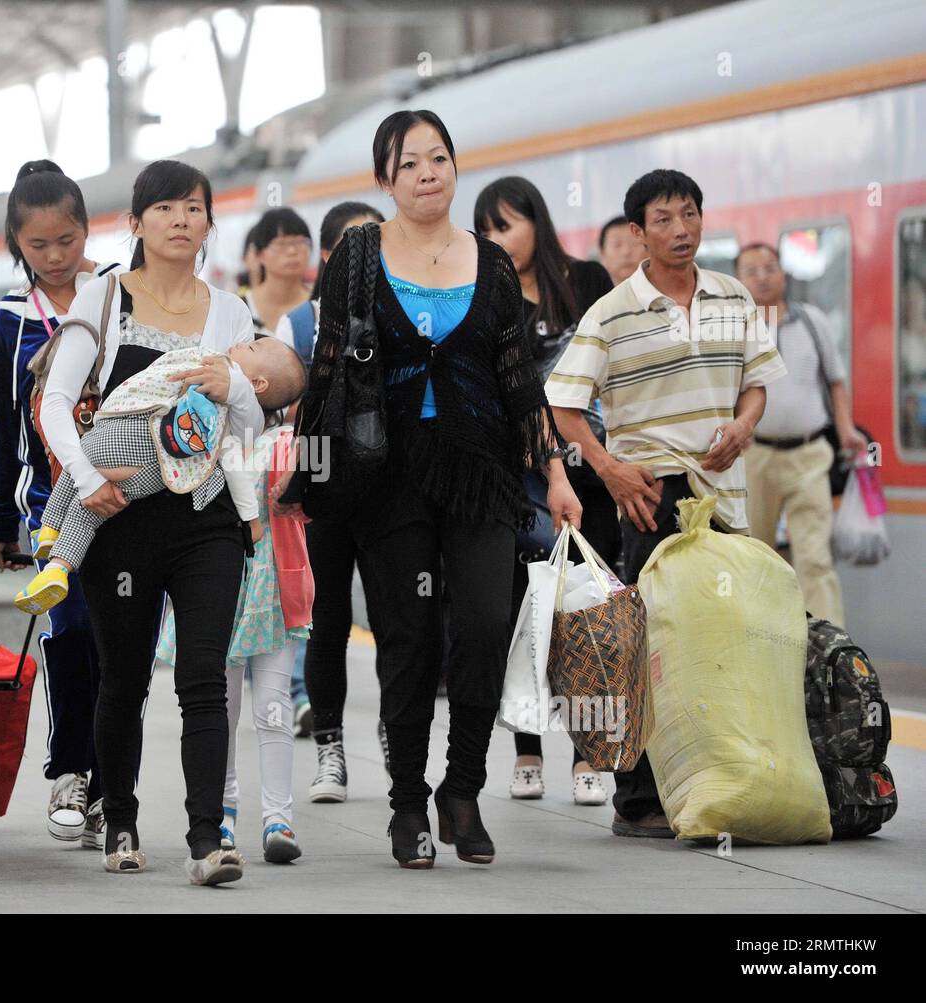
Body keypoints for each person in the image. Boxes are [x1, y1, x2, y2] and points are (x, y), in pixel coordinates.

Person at [288, 110, 582, 869]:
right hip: (386, 477)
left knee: (484, 623)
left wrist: (552, 471)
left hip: (478, 472)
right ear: (386, 177)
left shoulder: (488, 263)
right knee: (409, 642)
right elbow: (328, 371)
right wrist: (310, 472)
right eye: (409, 161)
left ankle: (463, 786)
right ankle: (408, 804)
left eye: (439, 158)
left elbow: (518, 382)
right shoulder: (355, 255)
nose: (427, 172)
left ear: (456, 168)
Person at [38, 159, 264, 885]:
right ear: (136, 224)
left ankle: (206, 841)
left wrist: (235, 385)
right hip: (123, 517)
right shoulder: (105, 297)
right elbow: (55, 401)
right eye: (164, 208)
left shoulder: (229, 311)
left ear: (208, 224)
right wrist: (85, 480)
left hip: (207, 517)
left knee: (203, 675)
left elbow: (249, 418)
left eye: (194, 208)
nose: (180, 219)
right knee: (124, 678)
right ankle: (123, 819)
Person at [546, 169, 787, 838]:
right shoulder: (613, 311)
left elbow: (757, 380)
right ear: (638, 232)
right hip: (652, 496)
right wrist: (610, 468)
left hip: (724, 495)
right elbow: (562, 403)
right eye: (664, 219)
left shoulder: (733, 297)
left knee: (725, 641)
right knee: (651, 648)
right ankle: (638, 797)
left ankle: (720, 781)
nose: (681, 230)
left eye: (690, 215)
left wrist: (743, 425)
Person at [0, 160, 124, 849]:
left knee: (116, 645)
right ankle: (70, 771)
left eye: (65, 240)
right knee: (67, 635)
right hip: (49, 506)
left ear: (85, 230)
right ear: (17, 244)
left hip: (128, 497)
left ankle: (107, 786)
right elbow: (4, 425)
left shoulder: (118, 295)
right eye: (37, 246)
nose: (54, 256)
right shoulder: (12, 321)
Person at [474, 175, 615, 806]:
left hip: (590, 472)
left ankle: (589, 756)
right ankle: (527, 750)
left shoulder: (586, 283)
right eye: (485, 230)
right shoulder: (488, 294)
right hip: (519, 477)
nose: (495, 240)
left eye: (505, 225)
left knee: (588, 612)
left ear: (537, 221)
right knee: (521, 615)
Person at [17, 337, 305, 611]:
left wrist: (251, 518)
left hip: (120, 436)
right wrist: (250, 520)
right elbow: (234, 470)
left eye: (252, 347)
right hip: (149, 476)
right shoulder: (225, 420)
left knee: (80, 467)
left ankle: (50, 530)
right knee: (88, 512)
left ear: (257, 383)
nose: (242, 343)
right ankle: (58, 568)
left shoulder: (213, 371)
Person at [157, 415, 313, 864]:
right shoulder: (205, 431)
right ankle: (223, 810)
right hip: (216, 586)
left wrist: (299, 478)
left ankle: (278, 818)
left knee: (273, 706)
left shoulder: (289, 441)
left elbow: (307, 504)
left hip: (273, 591)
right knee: (220, 705)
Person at [272, 200, 391, 789]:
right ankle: (330, 748)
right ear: (328, 256)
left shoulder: (404, 310)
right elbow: (273, 411)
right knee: (327, 620)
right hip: (321, 488)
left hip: (391, 485)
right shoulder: (298, 324)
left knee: (398, 619)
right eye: (355, 243)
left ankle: (397, 738)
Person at [735, 242, 865, 625]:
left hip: (809, 456)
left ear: (784, 274)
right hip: (754, 456)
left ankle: (830, 651)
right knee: (757, 553)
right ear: (738, 279)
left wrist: (845, 431)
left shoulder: (813, 321)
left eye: (770, 267)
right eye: (751, 270)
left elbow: (835, 383)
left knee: (815, 558)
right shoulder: (736, 328)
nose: (762, 276)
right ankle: (762, 640)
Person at [244, 208, 313, 336]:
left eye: (300, 242)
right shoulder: (240, 307)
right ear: (259, 254)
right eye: (281, 244)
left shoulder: (320, 307)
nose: (292, 251)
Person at [597, 214, 645, 286]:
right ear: (602, 254)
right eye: (616, 245)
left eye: (634, 243)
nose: (626, 252)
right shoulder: (592, 296)